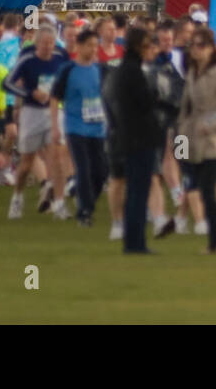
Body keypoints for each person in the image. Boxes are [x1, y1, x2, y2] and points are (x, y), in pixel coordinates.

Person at [179, 26, 216, 254]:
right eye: (192, 45)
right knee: (203, 191)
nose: (196, 50)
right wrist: (180, 142)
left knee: (207, 192)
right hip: (192, 140)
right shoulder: (193, 72)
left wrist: (212, 124)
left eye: (201, 45)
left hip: (214, 142)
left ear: (211, 48)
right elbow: (185, 110)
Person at [3, 26, 70, 220]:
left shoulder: (60, 57)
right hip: (31, 113)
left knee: (57, 158)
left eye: (51, 43)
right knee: (26, 163)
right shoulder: (27, 59)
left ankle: (59, 203)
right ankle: (17, 198)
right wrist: (30, 93)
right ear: (37, 44)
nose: (48, 48)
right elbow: (7, 83)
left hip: (53, 112)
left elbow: (67, 78)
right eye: (44, 44)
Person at [108, 26, 163, 254]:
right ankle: (135, 242)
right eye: (148, 44)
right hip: (139, 138)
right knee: (138, 192)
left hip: (129, 137)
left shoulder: (124, 69)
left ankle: (133, 241)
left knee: (136, 191)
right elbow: (145, 102)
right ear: (140, 45)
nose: (151, 48)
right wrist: (156, 97)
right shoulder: (134, 71)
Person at [52, 30, 107, 228]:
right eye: (90, 45)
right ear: (79, 46)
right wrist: (54, 126)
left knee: (100, 172)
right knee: (83, 169)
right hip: (75, 127)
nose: (94, 49)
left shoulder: (100, 70)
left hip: (98, 128)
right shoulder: (68, 69)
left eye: (96, 45)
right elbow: (55, 97)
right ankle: (85, 211)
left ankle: (88, 201)